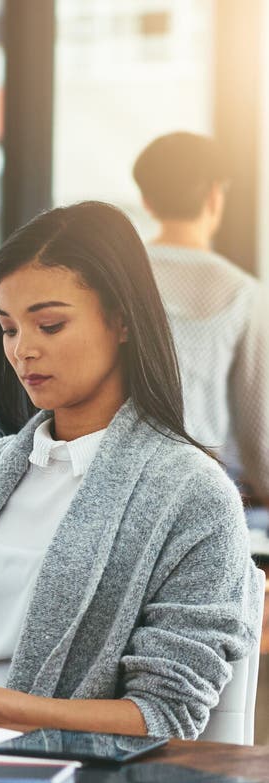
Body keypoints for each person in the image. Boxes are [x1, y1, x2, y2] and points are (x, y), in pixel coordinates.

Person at [0, 201, 262, 740]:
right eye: (8, 329)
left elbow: (165, 715)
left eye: (50, 324)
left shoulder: (192, 494)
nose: (23, 351)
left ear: (121, 320)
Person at [133, 131, 269, 507]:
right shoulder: (243, 292)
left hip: (116, 480)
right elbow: (258, 435)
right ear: (214, 195)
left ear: (147, 200)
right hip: (199, 490)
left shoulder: (115, 281)